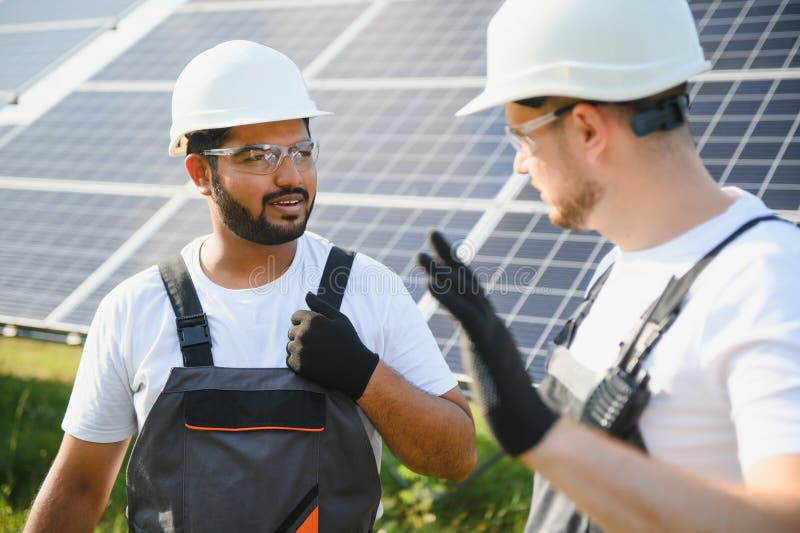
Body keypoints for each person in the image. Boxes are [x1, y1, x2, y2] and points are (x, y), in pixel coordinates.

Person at [25, 40, 476, 533]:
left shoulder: (366, 289)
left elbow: (455, 457)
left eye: (302, 152)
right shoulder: (134, 309)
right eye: (259, 157)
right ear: (201, 172)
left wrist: (364, 376)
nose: (291, 176)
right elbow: (79, 489)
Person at [418, 1, 800, 531]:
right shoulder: (619, 263)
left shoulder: (767, 281)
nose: (519, 162)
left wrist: (543, 437)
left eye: (522, 137)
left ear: (587, 130)